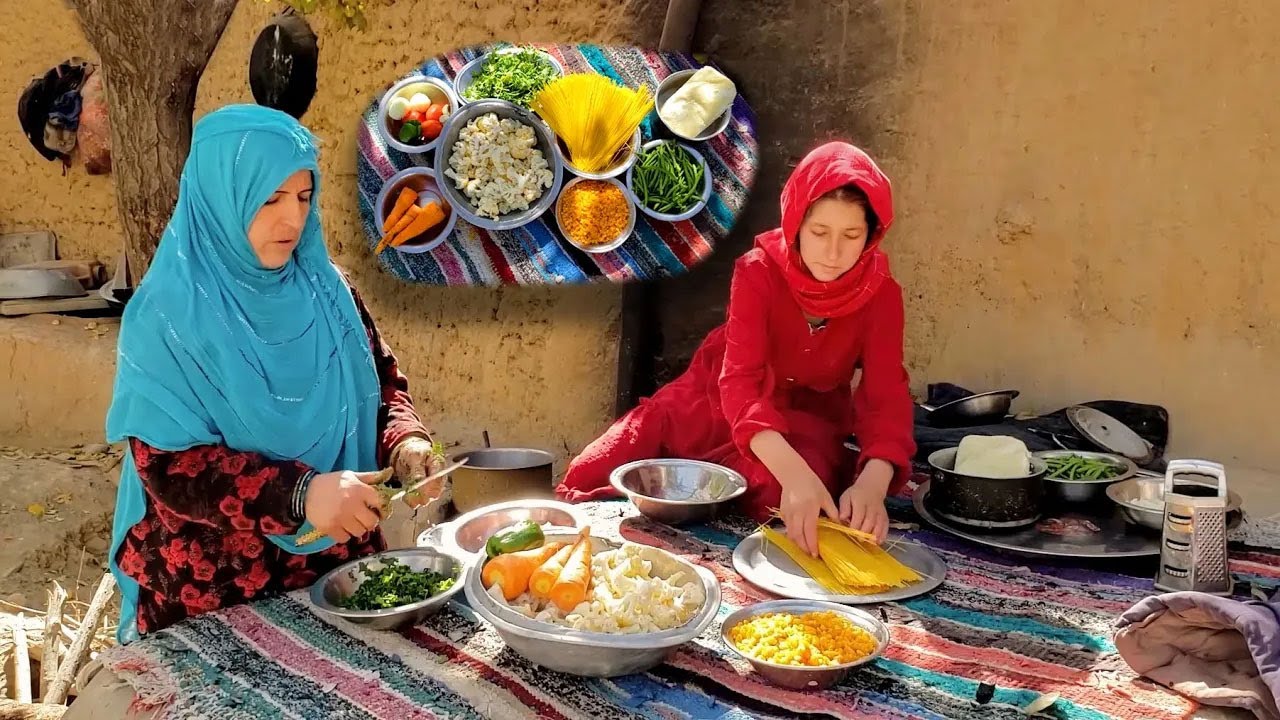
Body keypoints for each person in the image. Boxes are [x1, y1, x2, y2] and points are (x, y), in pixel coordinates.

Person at [106, 104, 443, 642]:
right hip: (215, 597)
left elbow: (381, 386)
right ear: (219, 197)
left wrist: (406, 444)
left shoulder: (329, 291)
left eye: (304, 197)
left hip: (338, 574)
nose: (292, 220)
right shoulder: (165, 318)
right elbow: (169, 467)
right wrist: (301, 495)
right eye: (269, 199)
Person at [556, 142, 915, 556]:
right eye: (819, 232)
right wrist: (796, 475)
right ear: (795, 224)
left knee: (783, 497)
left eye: (851, 235)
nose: (833, 254)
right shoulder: (757, 271)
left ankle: (727, 484)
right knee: (592, 467)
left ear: (872, 235)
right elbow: (739, 382)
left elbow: (886, 395)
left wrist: (872, 483)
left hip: (806, 416)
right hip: (715, 397)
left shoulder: (880, 294)